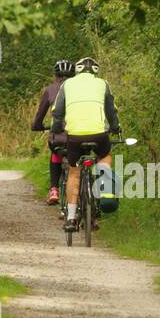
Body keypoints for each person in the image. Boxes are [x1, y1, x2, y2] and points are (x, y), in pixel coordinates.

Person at [51, 56, 119, 232]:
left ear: (78, 70)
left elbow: (57, 112)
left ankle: (71, 219)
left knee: (74, 173)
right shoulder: (103, 84)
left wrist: (57, 129)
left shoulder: (67, 85)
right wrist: (115, 127)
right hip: (99, 135)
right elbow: (111, 110)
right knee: (104, 156)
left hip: (75, 136)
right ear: (95, 71)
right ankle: (106, 192)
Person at [31, 59, 75, 204]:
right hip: (80, 134)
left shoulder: (51, 90)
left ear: (56, 76)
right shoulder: (79, 89)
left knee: (55, 151)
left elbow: (40, 113)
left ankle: (54, 189)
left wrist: (37, 126)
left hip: (59, 138)